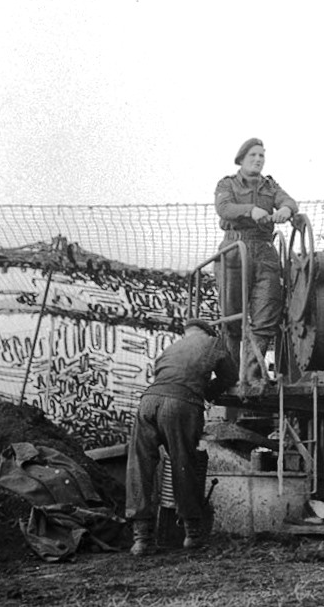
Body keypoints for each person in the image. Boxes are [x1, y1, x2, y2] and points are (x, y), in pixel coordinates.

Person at [125, 319, 238, 554]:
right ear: (208, 332)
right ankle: (192, 535)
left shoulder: (170, 348)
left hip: (148, 402)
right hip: (181, 404)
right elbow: (230, 377)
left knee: (139, 466)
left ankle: (141, 539)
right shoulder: (213, 342)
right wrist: (208, 393)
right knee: (183, 464)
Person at [214, 138, 299, 390]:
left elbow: (290, 202)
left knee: (265, 318)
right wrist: (251, 210)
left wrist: (285, 209)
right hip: (234, 251)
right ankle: (230, 377)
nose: (258, 159)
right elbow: (224, 207)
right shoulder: (226, 184)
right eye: (253, 155)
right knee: (231, 320)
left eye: (262, 155)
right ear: (241, 159)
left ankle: (251, 376)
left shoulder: (270, 185)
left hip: (264, 252)